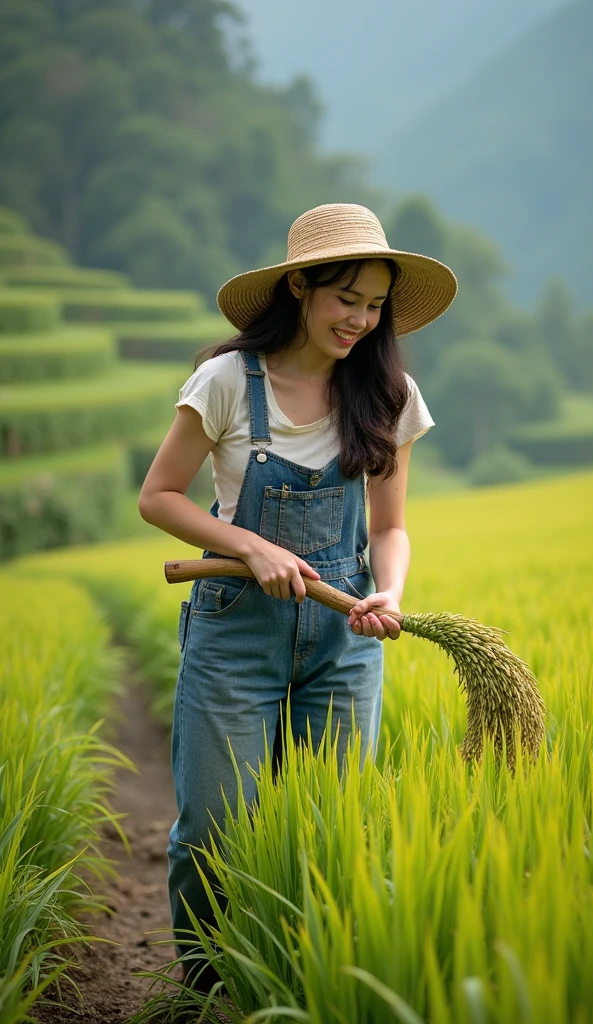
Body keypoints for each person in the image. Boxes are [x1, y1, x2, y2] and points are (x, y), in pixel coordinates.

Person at [138, 202, 457, 986]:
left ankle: (298, 983)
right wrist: (248, 543)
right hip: (235, 634)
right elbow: (159, 496)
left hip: (344, 639)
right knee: (212, 828)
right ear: (301, 289)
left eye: (375, 303)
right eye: (345, 297)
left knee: (331, 829)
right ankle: (207, 992)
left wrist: (390, 592)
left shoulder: (387, 396)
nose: (360, 318)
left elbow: (389, 528)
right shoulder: (224, 383)